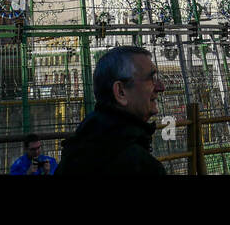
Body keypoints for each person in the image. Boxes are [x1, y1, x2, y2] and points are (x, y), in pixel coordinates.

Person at [57, 46, 166, 175]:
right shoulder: (139, 166)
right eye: (151, 79)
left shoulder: (78, 148)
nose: (161, 87)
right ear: (121, 92)